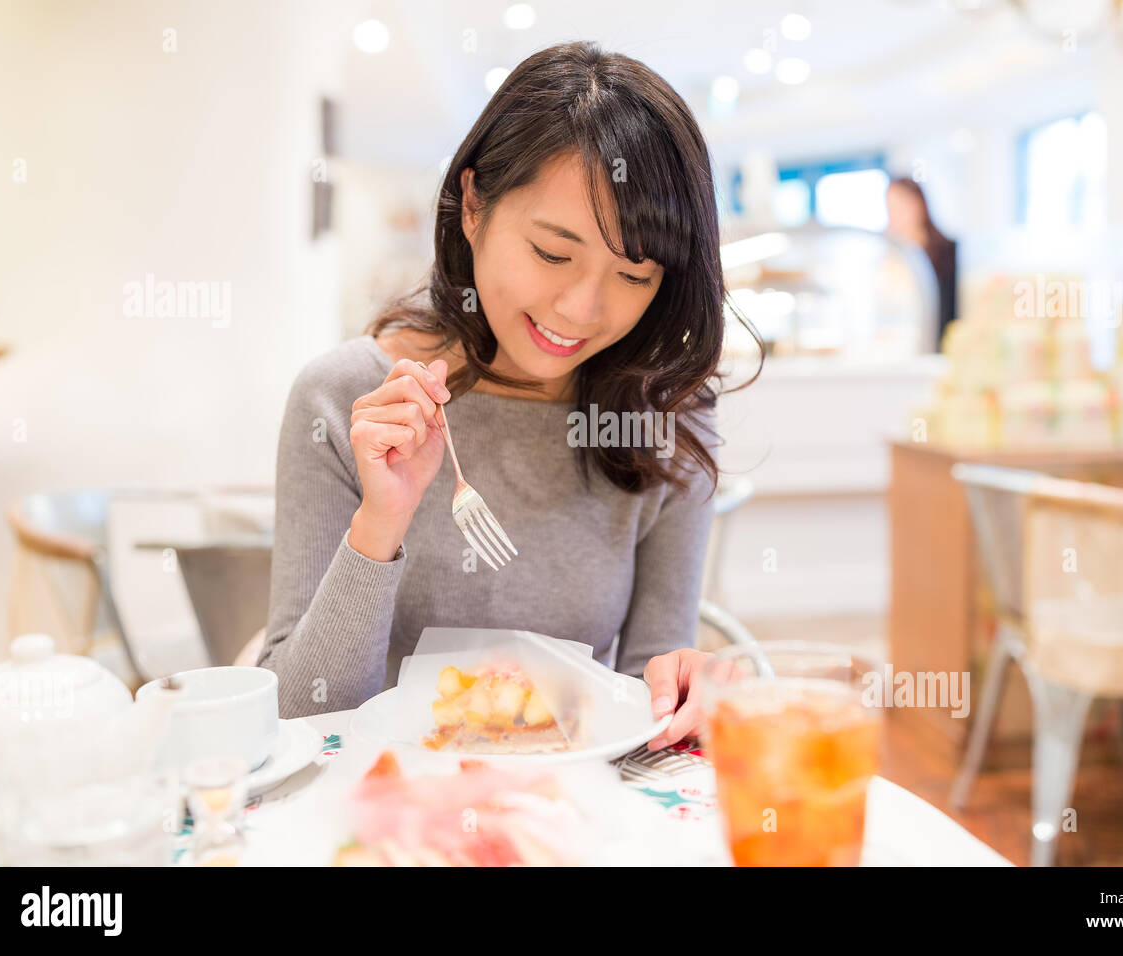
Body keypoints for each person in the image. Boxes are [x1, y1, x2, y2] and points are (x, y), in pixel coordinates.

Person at [258, 41, 762, 752]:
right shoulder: (341, 400)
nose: (582, 309)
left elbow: (645, 693)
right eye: (554, 253)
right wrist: (382, 523)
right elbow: (295, 716)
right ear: (472, 205)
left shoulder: (667, 420)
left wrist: (683, 690)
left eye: (634, 275)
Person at [885, 177, 957, 351]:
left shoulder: (948, 252)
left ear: (919, 205)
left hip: (941, 347)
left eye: (901, 206)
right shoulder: (892, 257)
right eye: (890, 208)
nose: (895, 215)